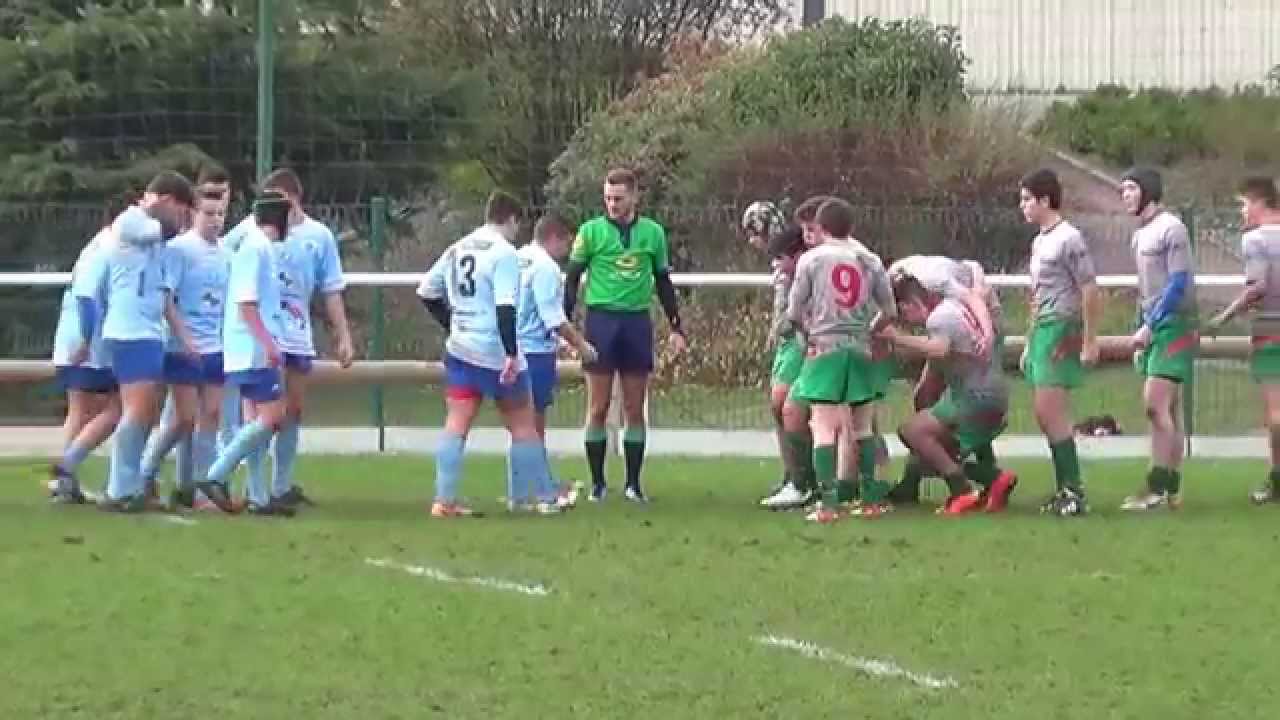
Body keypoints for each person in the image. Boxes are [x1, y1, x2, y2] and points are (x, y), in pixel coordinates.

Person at [417, 191, 552, 518]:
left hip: (461, 349)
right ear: (512, 220)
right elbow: (505, 307)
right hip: (494, 349)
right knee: (522, 423)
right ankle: (538, 496)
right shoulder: (504, 253)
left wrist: (453, 326)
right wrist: (510, 354)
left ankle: (443, 501)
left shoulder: (458, 247)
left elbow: (427, 291)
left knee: (456, 423)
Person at [564, 168, 686, 503]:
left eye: (618, 198)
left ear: (634, 197)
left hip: (636, 323)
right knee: (598, 407)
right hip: (601, 322)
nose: (612, 204)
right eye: (607, 198)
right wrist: (566, 325)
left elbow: (663, 282)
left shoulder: (653, 233)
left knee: (635, 407)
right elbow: (572, 278)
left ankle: (633, 484)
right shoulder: (590, 232)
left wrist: (677, 326)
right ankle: (598, 484)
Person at [76, 172, 195, 512]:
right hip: (129, 331)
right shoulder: (131, 220)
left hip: (147, 331)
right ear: (169, 201)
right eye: (182, 211)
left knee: (144, 411)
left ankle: (127, 486)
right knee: (136, 411)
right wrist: (157, 207)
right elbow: (165, 230)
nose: (183, 221)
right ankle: (119, 489)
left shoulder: (152, 233)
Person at [782, 198, 896, 523]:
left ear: (821, 227)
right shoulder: (870, 259)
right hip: (859, 348)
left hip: (826, 347)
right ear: (852, 228)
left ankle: (828, 504)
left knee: (822, 426)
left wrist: (809, 335)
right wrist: (868, 332)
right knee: (861, 426)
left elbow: (793, 313)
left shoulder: (812, 260)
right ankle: (870, 498)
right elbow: (889, 311)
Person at [881, 272, 1017, 515]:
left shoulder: (939, 318)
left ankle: (962, 490)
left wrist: (897, 338)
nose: (909, 322)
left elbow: (939, 349)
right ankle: (993, 478)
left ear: (908, 305)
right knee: (932, 448)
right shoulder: (954, 306)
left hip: (974, 397)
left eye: (904, 315)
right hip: (991, 392)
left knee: (912, 432)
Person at [257, 168, 354, 508]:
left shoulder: (319, 237)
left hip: (297, 334)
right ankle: (253, 487)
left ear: (294, 199)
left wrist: (343, 336)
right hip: (264, 333)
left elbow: (331, 290)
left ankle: (281, 486)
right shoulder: (254, 233)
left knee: (294, 409)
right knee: (267, 410)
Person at [199, 191, 294, 516]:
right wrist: (269, 343)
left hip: (244, 347)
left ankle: (258, 497)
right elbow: (247, 302)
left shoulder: (254, 246)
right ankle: (216, 475)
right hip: (252, 349)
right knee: (273, 417)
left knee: (254, 422)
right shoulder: (257, 248)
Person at [138, 187, 230, 508]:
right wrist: (185, 336)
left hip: (216, 346)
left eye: (220, 214)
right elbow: (166, 300)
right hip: (183, 348)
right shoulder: (180, 250)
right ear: (194, 213)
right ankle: (145, 473)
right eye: (209, 213)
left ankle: (201, 489)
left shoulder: (225, 252)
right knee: (183, 419)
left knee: (212, 415)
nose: (216, 220)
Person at [1018, 168, 1101, 517]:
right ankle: (1065, 489)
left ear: (1045, 200)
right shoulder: (1040, 241)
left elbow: (1090, 288)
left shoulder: (1070, 238)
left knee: (1051, 410)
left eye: (1026, 199)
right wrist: (1028, 339)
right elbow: (1037, 294)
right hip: (1043, 329)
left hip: (1061, 329)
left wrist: (1089, 339)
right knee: (1042, 412)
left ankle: (1074, 491)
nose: (1022, 206)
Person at [48, 194, 135, 503]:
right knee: (116, 409)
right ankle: (67, 468)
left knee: (82, 409)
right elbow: (87, 298)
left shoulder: (97, 246)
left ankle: (65, 481)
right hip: (87, 341)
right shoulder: (107, 248)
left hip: (78, 337)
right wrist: (86, 339)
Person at [1120, 168, 1197, 511]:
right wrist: (1140, 324)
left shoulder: (1172, 228)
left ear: (1148, 191)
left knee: (1155, 404)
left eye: (1131, 189)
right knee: (1167, 410)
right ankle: (1169, 487)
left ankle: (1159, 489)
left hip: (1174, 325)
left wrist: (1151, 326)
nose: (1125, 195)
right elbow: (1146, 289)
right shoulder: (1140, 234)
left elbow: (1178, 282)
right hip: (1153, 325)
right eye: (1123, 190)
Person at [515, 213, 598, 509]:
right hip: (534, 353)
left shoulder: (518, 257)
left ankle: (523, 490)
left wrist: (561, 342)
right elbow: (552, 317)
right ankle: (541, 491)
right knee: (534, 424)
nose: (568, 253)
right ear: (555, 238)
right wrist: (581, 345)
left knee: (520, 424)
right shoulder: (546, 268)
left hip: (513, 349)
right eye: (567, 244)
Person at [1206, 176, 1280, 504]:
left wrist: (1224, 316)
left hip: (1270, 330)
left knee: (1275, 414)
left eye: (1244, 204)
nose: (1242, 212)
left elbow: (1258, 287)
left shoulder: (1256, 240)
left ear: (1260, 203)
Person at [758, 222, 820, 509]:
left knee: (791, 406)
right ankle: (794, 474)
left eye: (780, 258)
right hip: (790, 344)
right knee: (778, 405)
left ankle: (808, 480)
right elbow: (783, 318)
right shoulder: (784, 278)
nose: (775, 265)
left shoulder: (815, 274)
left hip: (810, 345)